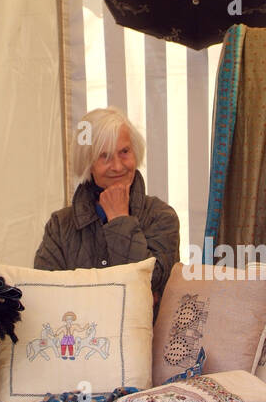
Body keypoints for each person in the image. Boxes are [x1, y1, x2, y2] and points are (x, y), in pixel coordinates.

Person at [34, 107, 180, 307]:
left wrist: (120, 219)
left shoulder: (161, 216)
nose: (118, 166)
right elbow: (45, 295)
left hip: (145, 337)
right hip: (78, 336)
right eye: (105, 156)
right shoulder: (60, 225)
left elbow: (149, 283)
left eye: (124, 152)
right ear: (87, 163)